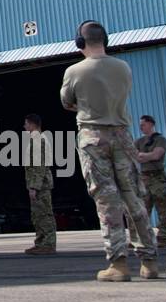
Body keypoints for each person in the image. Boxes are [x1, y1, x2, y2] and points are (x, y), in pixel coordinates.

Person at [61, 20, 158, 281]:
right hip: (123, 136)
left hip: (94, 137)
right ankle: (149, 260)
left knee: (107, 200)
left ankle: (119, 263)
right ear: (106, 40)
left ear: (79, 43)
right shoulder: (123, 67)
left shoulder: (74, 71)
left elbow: (67, 102)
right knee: (134, 198)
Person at [134, 115, 166, 248]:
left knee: (162, 209)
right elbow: (134, 156)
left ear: (150, 124)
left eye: (143, 124)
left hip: (158, 178)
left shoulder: (160, 139)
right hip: (144, 178)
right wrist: (146, 156)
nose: (141, 127)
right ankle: (143, 238)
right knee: (143, 211)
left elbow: (157, 155)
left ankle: (162, 237)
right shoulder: (139, 141)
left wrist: (144, 156)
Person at [23, 113, 56, 255]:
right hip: (39, 183)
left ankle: (48, 243)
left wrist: (34, 187)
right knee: (37, 215)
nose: (24, 126)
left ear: (32, 124)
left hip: (41, 185)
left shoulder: (38, 140)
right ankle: (41, 242)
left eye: (26, 124)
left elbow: (39, 166)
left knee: (44, 214)